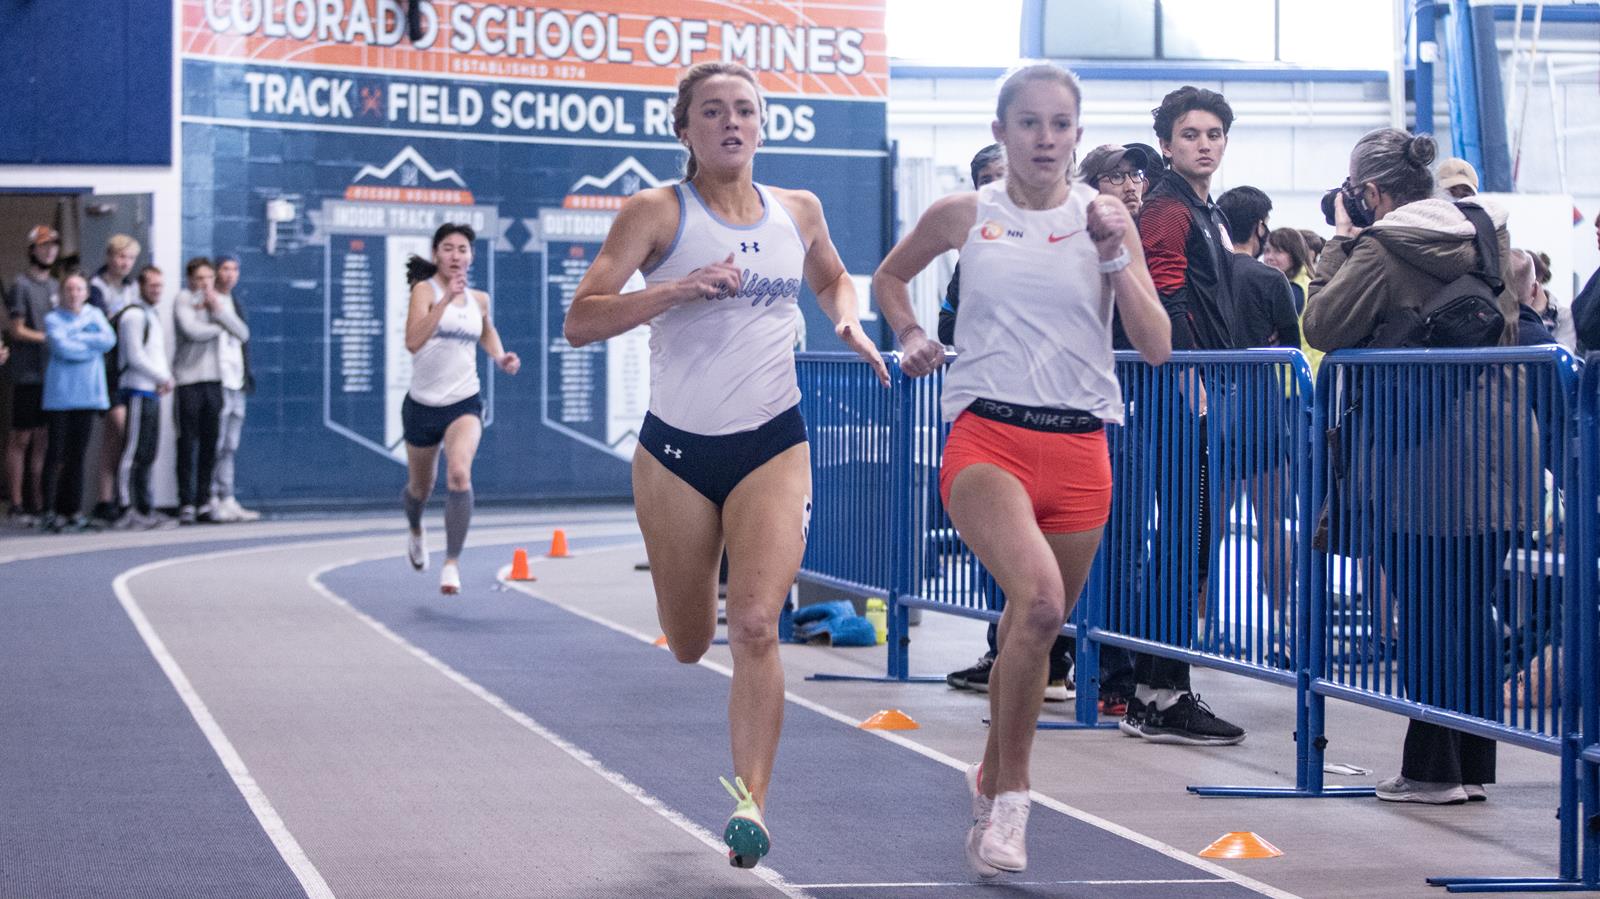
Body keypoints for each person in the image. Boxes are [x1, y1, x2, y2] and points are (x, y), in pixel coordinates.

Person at [564, 61, 887, 870]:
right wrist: (676, 290)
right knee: (686, 638)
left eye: (745, 110)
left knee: (754, 624)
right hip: (675, 449)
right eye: (713, 112)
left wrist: (848, 321)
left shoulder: (799, 209)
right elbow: (580, 320)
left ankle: (751, 805)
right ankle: (685, 620)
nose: (731, 123)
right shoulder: (655, 212)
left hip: (773, 441)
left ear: (763, 123)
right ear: (686, 130)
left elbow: (832, 277)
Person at [874, 62, 1169, 876]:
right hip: (986, 439)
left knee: (1031, 627)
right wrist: (906, 334)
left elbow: (1155, 344)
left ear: (1078, 134)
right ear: (1000, 132)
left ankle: (990, 772)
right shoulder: (967, 212)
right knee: (1038, 606)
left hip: (1081, 448)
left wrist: (1114, 254)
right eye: (1030, 123)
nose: (1046, 138)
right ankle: (1012, 798)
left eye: (1061, 124)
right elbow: (890, 276)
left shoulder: (1105, 221)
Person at [1304, 127, 1526, 804]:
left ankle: (1431, 771)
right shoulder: (1482, 233)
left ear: (1370, 192)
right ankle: (1465, 766)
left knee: (1427, 609)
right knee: (1471, 607)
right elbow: (1510, 324)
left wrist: (1341, 242)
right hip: (1507, 445)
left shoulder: (1380, 246)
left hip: (1422, 451)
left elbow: (1321, 323)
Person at [1122, 85, 1249, 746]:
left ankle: (1156, 689)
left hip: (1195, 392)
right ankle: (1160, 694)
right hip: (1177, 395)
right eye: (1191, 134)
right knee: (1184, 542)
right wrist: (1188, 375)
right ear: (1168, 144)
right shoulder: (1170, 209)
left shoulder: (1205, 211)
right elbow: (1162, 292)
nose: (1204, 144)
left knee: (1189, 542)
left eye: (1214, 134)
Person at [400, 224, 520, 595]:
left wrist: (500, 357)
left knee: (458, 475)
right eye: (448, 248)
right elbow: (413, 341)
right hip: (422, 405)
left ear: (471, 256)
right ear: (437, 254)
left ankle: (451, 563)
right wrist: (445, 303)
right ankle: (417, 529)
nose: (456, 255)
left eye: (463, 249)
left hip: (464, 402)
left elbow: (485, 329)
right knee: (421, 487)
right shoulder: (425, 291)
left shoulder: (479, 299)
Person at [173, 257, 250, 524]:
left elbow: (242, 332)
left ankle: (206, 500)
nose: (205, 283)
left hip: (215, 381)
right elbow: (192, 330)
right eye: (199, 278)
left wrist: (218, 311)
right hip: (188, 380)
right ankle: (186, 501)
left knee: (212, 444)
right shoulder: (184, 299)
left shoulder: (219, 303)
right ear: (190, 280)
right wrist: (220, 325)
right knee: (187, 442)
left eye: (208, 278)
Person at [39, 272, 117, 532]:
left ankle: (73, 510)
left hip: (88, 395)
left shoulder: (95, 315)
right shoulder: (52, 319)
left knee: (77, 456)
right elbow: (63, 348)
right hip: (60, 396)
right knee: (55, 454)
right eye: (69, 289)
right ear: (62, 292)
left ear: (86, 292)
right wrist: (89, 342)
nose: (74, 294)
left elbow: (108, 340)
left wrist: (78, 338)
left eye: (79, 289)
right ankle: (49, 510)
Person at [112, 265, 175, 529]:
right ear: (141, 286)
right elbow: (136, 356)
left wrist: (163, 378)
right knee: (133, 450)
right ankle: (126, 507)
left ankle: (145, 506)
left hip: (152, 391)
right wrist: (162, 377)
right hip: (137, 390)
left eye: (160, 285)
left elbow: (157, 354)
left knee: (148, 452)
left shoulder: (153, 315)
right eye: (152, 285)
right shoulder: (134, 317)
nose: (157, 290)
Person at [6, 226, 60, 525]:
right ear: (32, 250)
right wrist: (48, 338)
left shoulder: (56, 286)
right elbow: (17, 329)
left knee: (43, 439)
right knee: (20, 439)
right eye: (43, 246)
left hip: (50, 374)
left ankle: (37, 500)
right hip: (27, 374)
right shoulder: (21, 286)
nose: (49, 250)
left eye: (53, 245)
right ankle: (15, 502)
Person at [88, 234, 141, 522]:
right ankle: (113, 497)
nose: (124, 263)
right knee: (119, 431)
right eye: (120, 256)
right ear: (110, 256)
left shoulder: (132, 287)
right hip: (107, 367)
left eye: (130, 258)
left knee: (114, 439)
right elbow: (103, 325)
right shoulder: (96, 288)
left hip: (128, 365)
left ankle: (107, 498)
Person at [210, 255, 260, 522]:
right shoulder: (210, 303)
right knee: (215, 443)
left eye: (234, 269)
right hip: (218, 381)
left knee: (230, 444)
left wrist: (246, 376)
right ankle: (212, 497)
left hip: (236, 381)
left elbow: (243, 342)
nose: (230, 274)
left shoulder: (236, 304)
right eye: (225, 269)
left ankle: (227, 496)